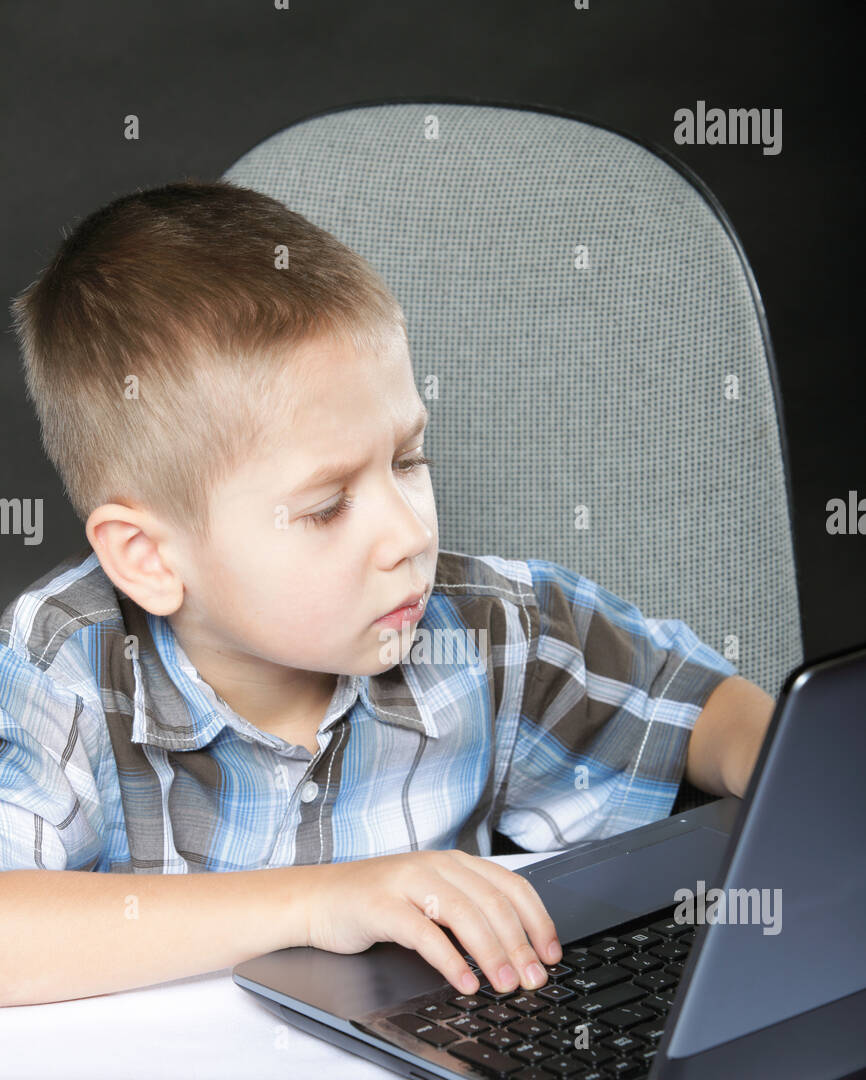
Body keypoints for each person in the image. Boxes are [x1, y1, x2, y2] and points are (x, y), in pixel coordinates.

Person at [0, 179, 774, 1007]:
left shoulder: (484, 630)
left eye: (408, 460)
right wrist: (319, 899)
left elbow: (705, 711)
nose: (409, 535)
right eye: (327, 506)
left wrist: (786, 769)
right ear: (149, 557)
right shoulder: (67, 663)